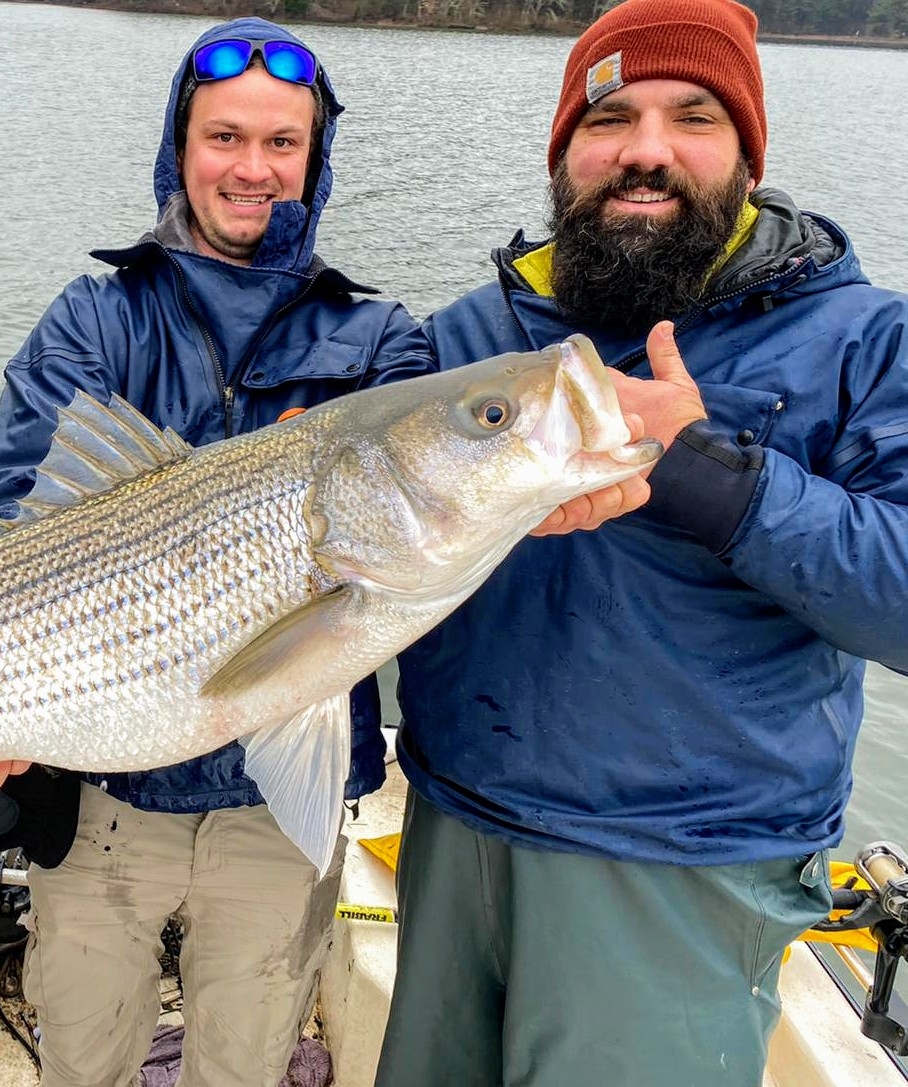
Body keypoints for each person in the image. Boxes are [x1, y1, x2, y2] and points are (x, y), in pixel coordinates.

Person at [379, 0, 908, 1084]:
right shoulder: (473, 337)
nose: (645, 151)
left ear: (747, 156)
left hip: (681, 861)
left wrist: (706, 471)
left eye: (692, 116)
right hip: (454, 822)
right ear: (564, 150)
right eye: (608, 117)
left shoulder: (863, 341)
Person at [0, 19, 438, 1086]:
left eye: (283, 144)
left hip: (280, 798)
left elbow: (411, 545)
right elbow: (4, 519)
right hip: (101, 788)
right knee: (82, 1055)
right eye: (225, 136)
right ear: (179, 147)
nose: (252, 168)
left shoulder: (380, 344)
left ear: (316, 163)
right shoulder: (94, 319)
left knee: (246, 1058)